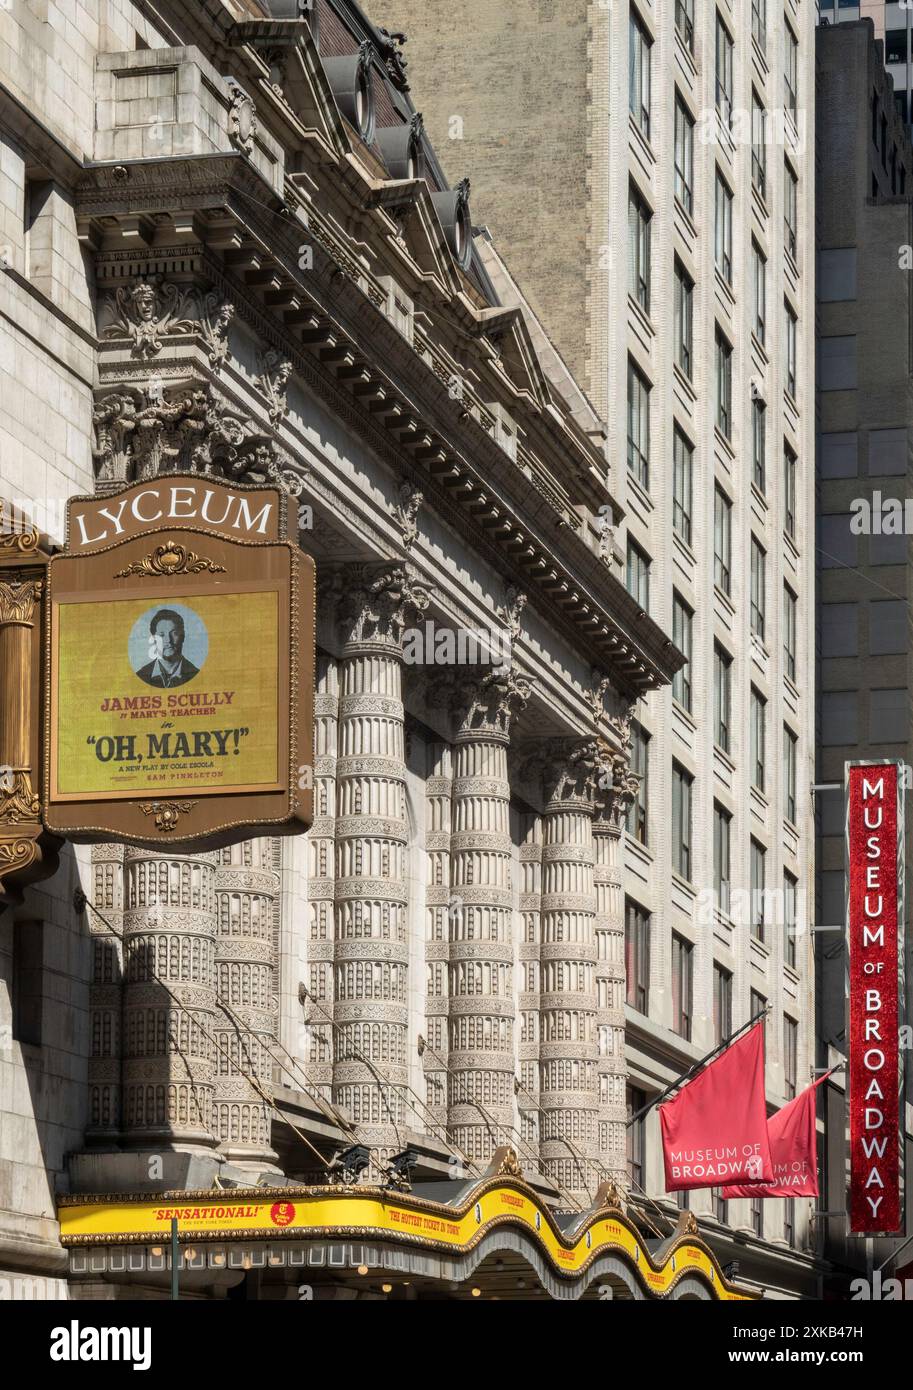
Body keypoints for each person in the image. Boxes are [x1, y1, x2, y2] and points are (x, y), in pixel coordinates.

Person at [135, 609, 199, 688]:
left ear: (183, 636)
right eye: (161, 635)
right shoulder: (141, 676)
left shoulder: (196, 674)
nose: (168, 640)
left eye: (174, 633)